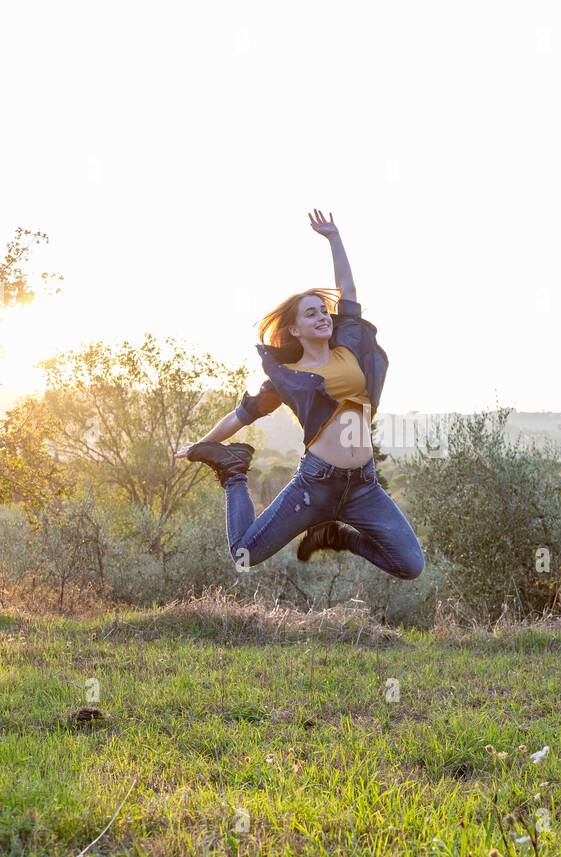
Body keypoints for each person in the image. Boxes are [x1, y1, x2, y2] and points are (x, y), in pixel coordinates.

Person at [174, 210, 424, 580]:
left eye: (324, 311)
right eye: (311, 314)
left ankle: (335, 536)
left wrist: (334, 239)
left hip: (363, 486)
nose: (323, 316)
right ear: (294, 329)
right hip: (314, 486)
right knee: (244, 554)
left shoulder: (349, 349)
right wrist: (202, 446)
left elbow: (349, 294)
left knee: (411, 565)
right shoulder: (288, 377)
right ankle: (232, 471)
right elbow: (242, 414)